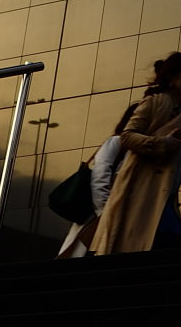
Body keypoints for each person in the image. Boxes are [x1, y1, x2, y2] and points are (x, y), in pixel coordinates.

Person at [86, 52, 181, 254]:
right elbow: (127, 136)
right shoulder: (154, 103)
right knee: (164, 237)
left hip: (165, 193)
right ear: (173, 77)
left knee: (171, 237)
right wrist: (160, 143)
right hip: (142, 191)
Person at [55, 101, 140, 258]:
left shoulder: (139, 150)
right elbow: (99, 177)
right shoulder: (117, 142)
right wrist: (105, 212)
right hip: (98, 217)